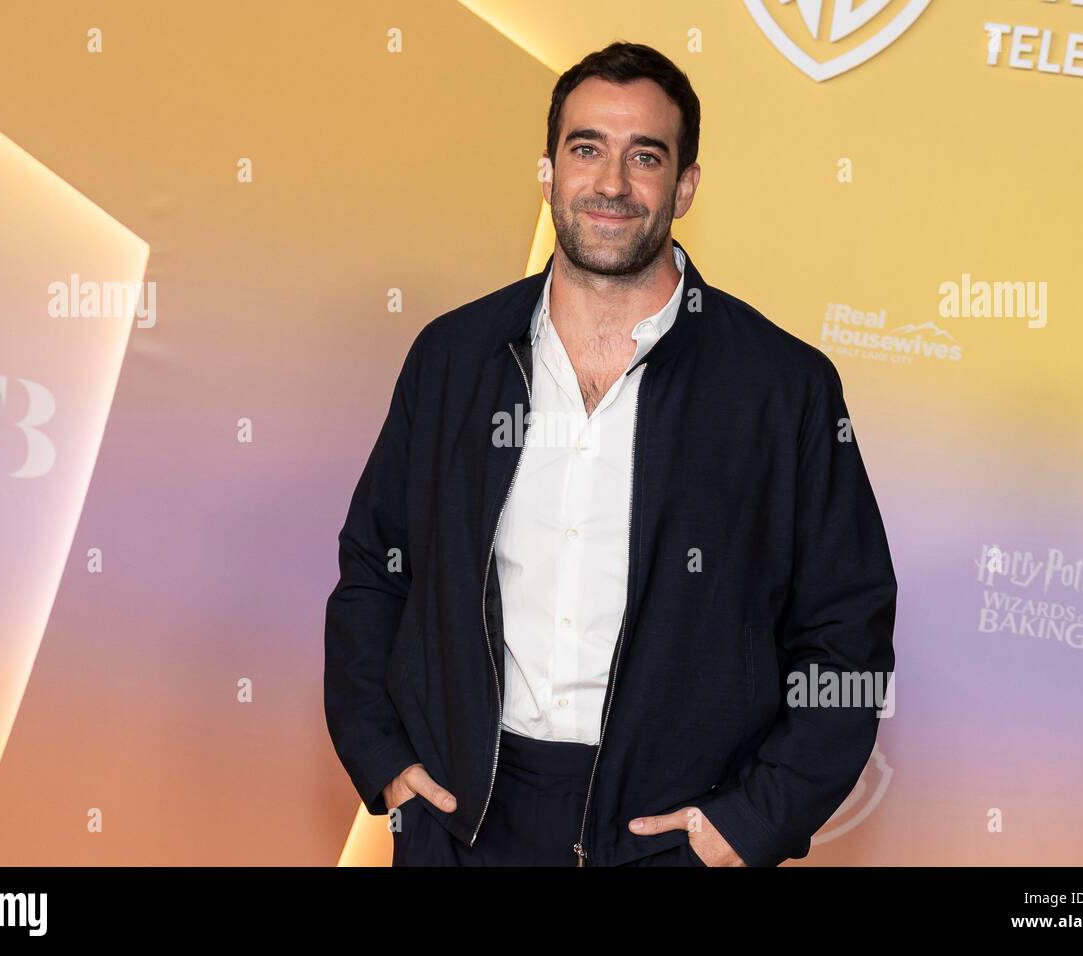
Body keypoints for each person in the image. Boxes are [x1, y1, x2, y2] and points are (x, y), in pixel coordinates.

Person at [324, 41, 897, 867]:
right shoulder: (453, 356)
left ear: (686, 185)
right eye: (586, 148)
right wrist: (384, 759)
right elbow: (376, 569)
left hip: (667, 835)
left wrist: (752, 822)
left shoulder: (782, 387)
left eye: (646, 157)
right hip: (458, 820)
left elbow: (847, 631)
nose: (612, 184)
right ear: (549, 170)